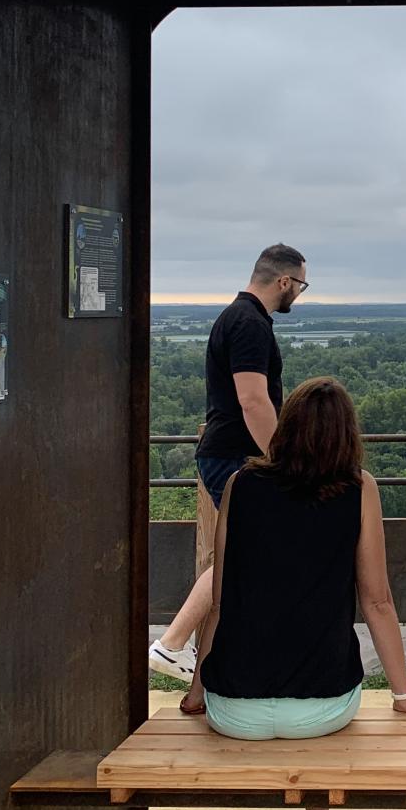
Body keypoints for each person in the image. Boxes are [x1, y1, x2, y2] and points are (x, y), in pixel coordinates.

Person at [184, 377, 406, 810]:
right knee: (315, 722)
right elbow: (377, 600)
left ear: (286, 427)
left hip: (235, 709)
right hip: (324, 707)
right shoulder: (359, 488)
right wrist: (404, 695)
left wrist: (197, 693)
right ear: (348, 435)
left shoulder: (240, 485)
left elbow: (222, 600)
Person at [147, 243, 307, 687]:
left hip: (230, 454)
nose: (299, 293)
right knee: (248, 553)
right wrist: (280, 459)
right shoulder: (250, 324)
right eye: (301, 285)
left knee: (250, 552)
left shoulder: (239, 318)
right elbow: (253, 400)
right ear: (284, 281)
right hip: (237, 456)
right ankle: (174, 643)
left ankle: (198, 648)